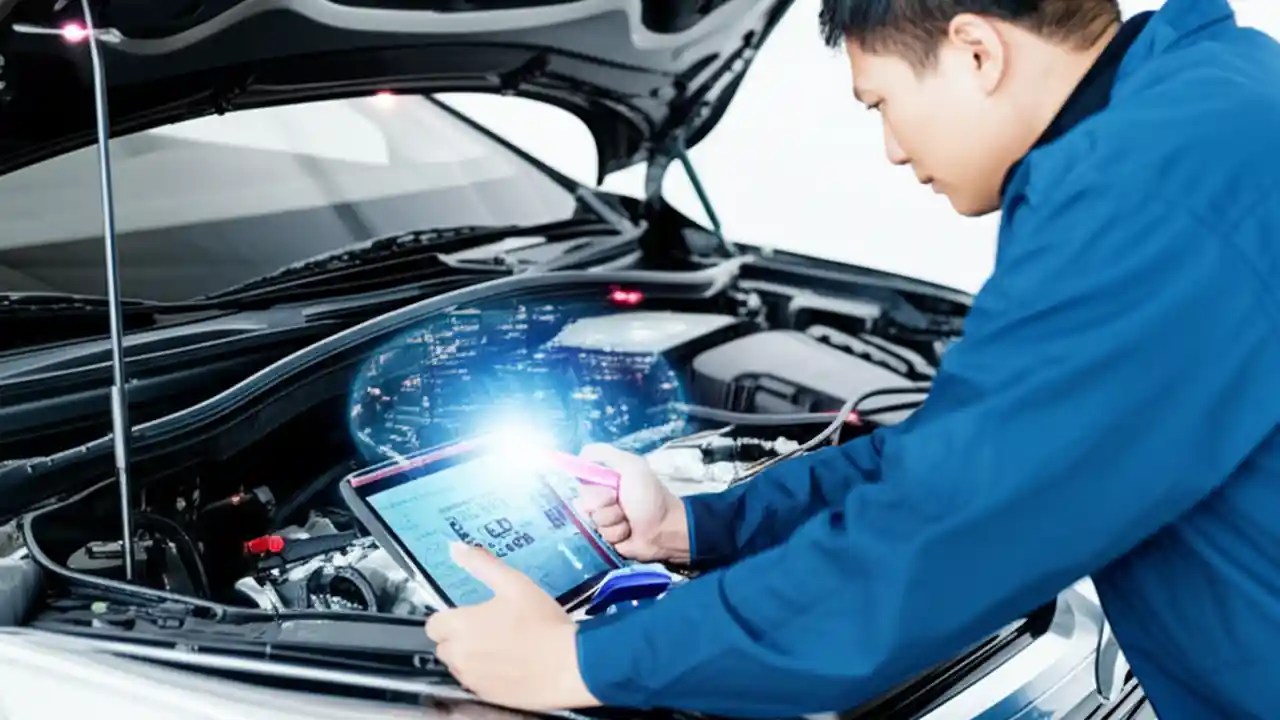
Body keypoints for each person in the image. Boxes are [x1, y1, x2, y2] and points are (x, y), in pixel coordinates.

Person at [424, 0, 1280, 716]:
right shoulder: (1209, 103)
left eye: (878, 103)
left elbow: (946, 537)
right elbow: (969, 448)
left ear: (976, 50)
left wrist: (580, 660)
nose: (894, 151)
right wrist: (697, 526)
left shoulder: (1142, 192)